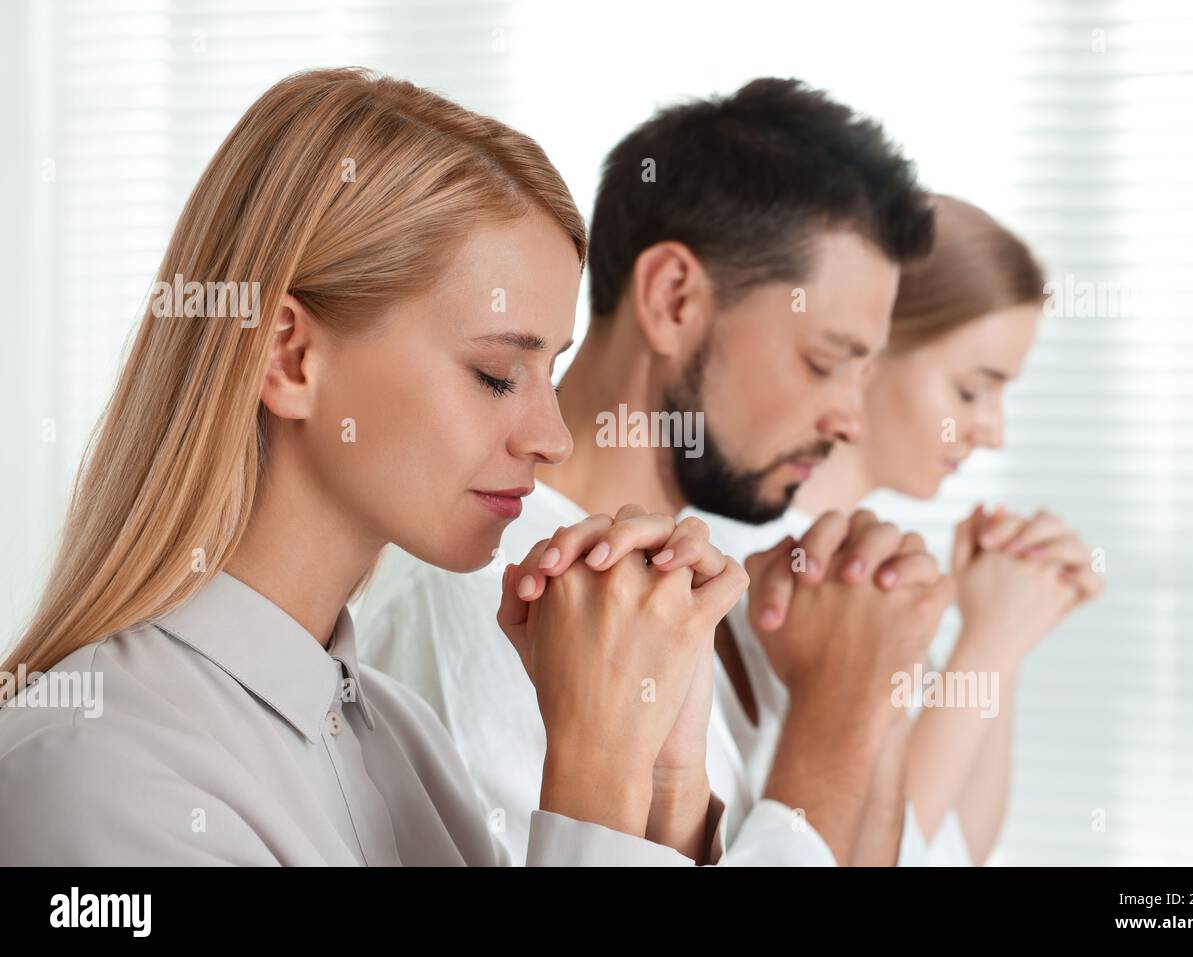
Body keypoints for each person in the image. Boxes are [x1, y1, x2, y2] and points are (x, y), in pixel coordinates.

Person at [0, 68, 748, 866]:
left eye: (549, 374)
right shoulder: (95, 771)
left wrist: (663, 779)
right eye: (497, 374)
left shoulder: (405, 743)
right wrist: (593, 769)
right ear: (289, 356)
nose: (552, 438)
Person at [355, 78, 952, 866]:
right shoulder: (475, 594)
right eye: (825, 361)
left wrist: (875, 672)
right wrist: (837, 716)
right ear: (673, 299)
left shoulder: (747, 590)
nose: (851, 419)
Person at [744, 195, 1106, 864]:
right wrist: (991, 643)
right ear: (872, 347)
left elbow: (956, 849)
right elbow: (884, 852)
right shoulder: (767, 561)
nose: (993, 432)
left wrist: (997, 631)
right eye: (972, 390)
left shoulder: (875, 561)